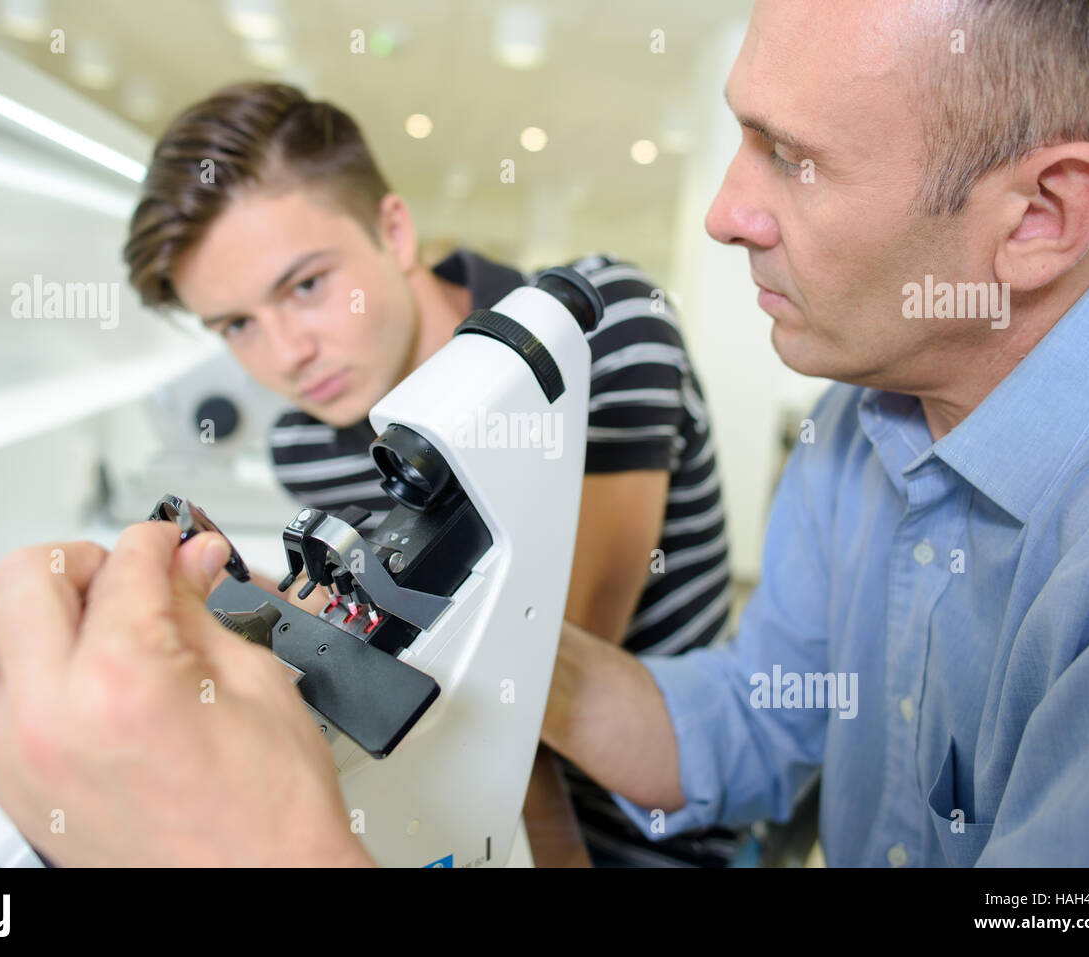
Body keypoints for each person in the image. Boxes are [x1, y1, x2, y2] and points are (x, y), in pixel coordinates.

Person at [0, 0, 1089, 866]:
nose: (723, 214)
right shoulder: (862, 413)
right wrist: (343, 625)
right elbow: (751, 726)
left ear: (1043, 213)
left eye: (793, 159)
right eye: (740, 134)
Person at [114, 83, 738, 865]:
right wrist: (267, 614)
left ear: (395, 229)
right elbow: (400, 645)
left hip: (658, 831)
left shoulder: (591, 331)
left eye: (305, 286)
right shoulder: (305, 441)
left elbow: (524, 667)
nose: (285, 354)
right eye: (237, 324)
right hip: (452, 811)